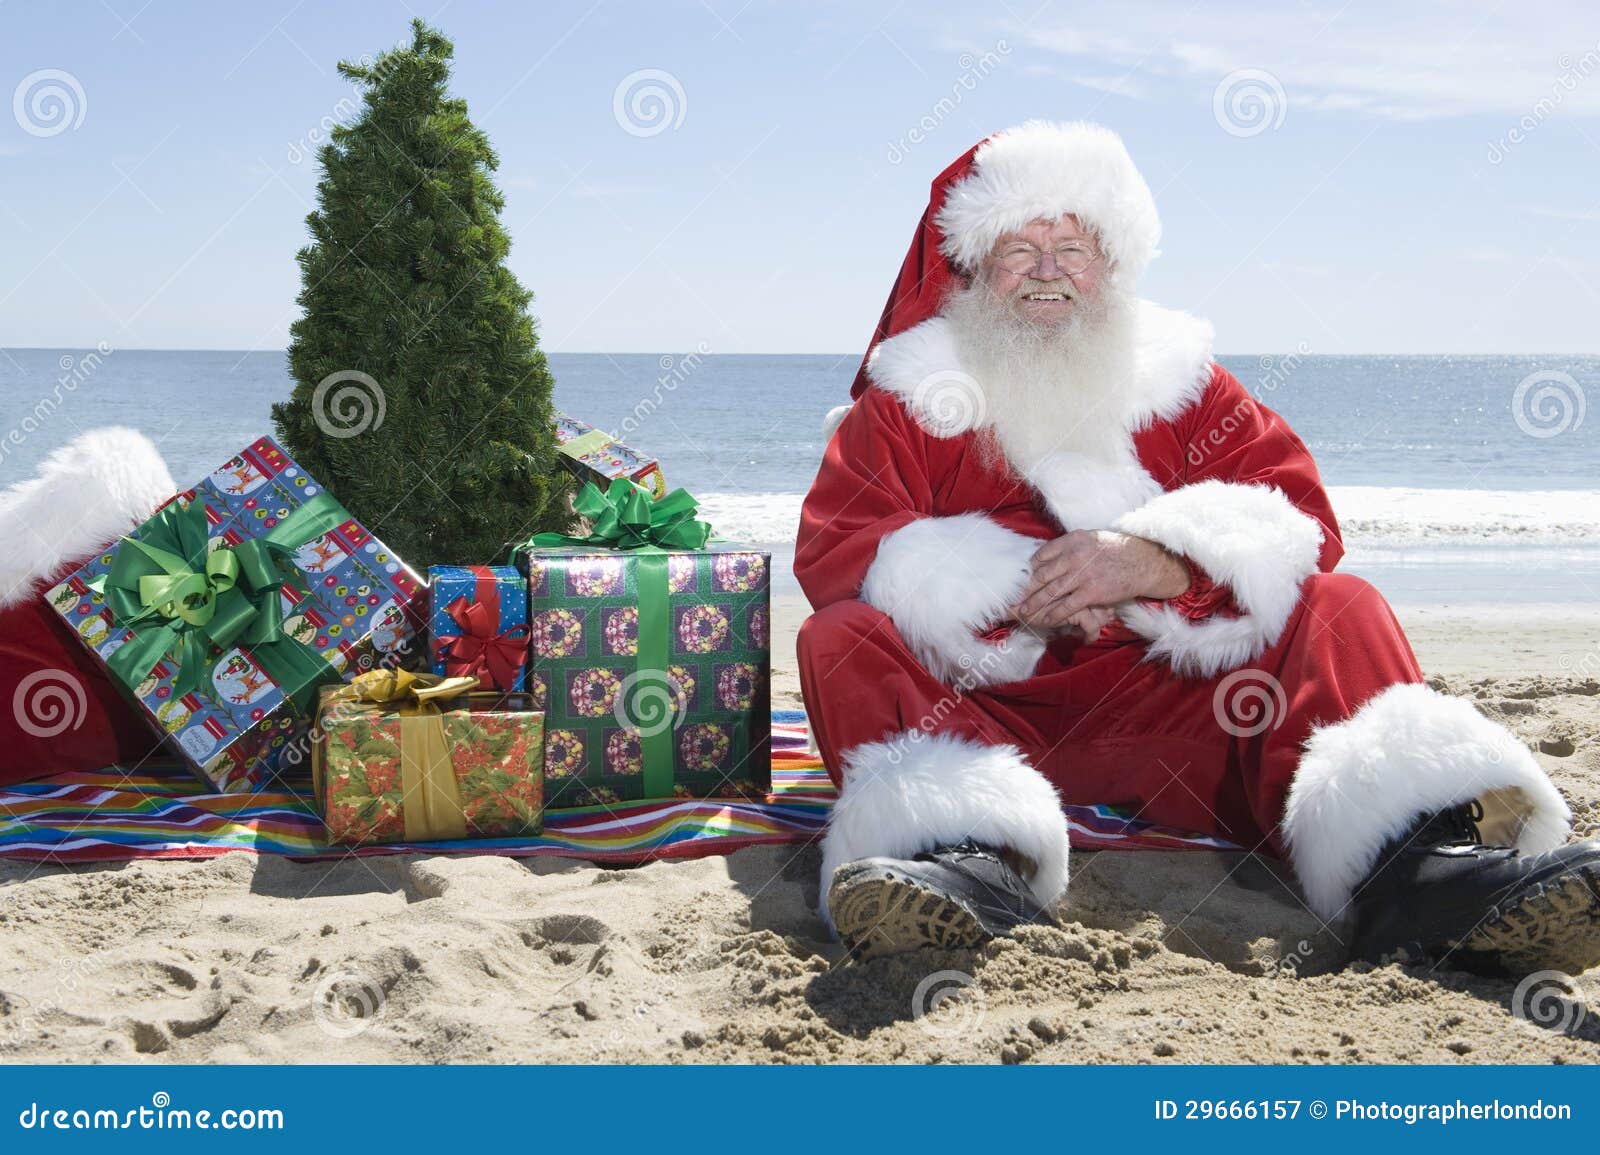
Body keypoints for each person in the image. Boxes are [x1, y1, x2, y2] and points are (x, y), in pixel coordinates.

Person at [795, 120, 1600, 975]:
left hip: (1190, 719)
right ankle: (966, 857)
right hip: (987, 713)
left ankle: (1416, 874)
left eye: (1071, 248)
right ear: (974, 265)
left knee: (1343, 606)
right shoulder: (913, 398)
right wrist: (1008, 587)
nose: (1047, 271)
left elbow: (1300, 517)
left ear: (1111, 262)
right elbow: (837, 545)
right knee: (838, 638)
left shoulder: (1180, 379)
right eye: (1018, 248)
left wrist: (1157, 559)